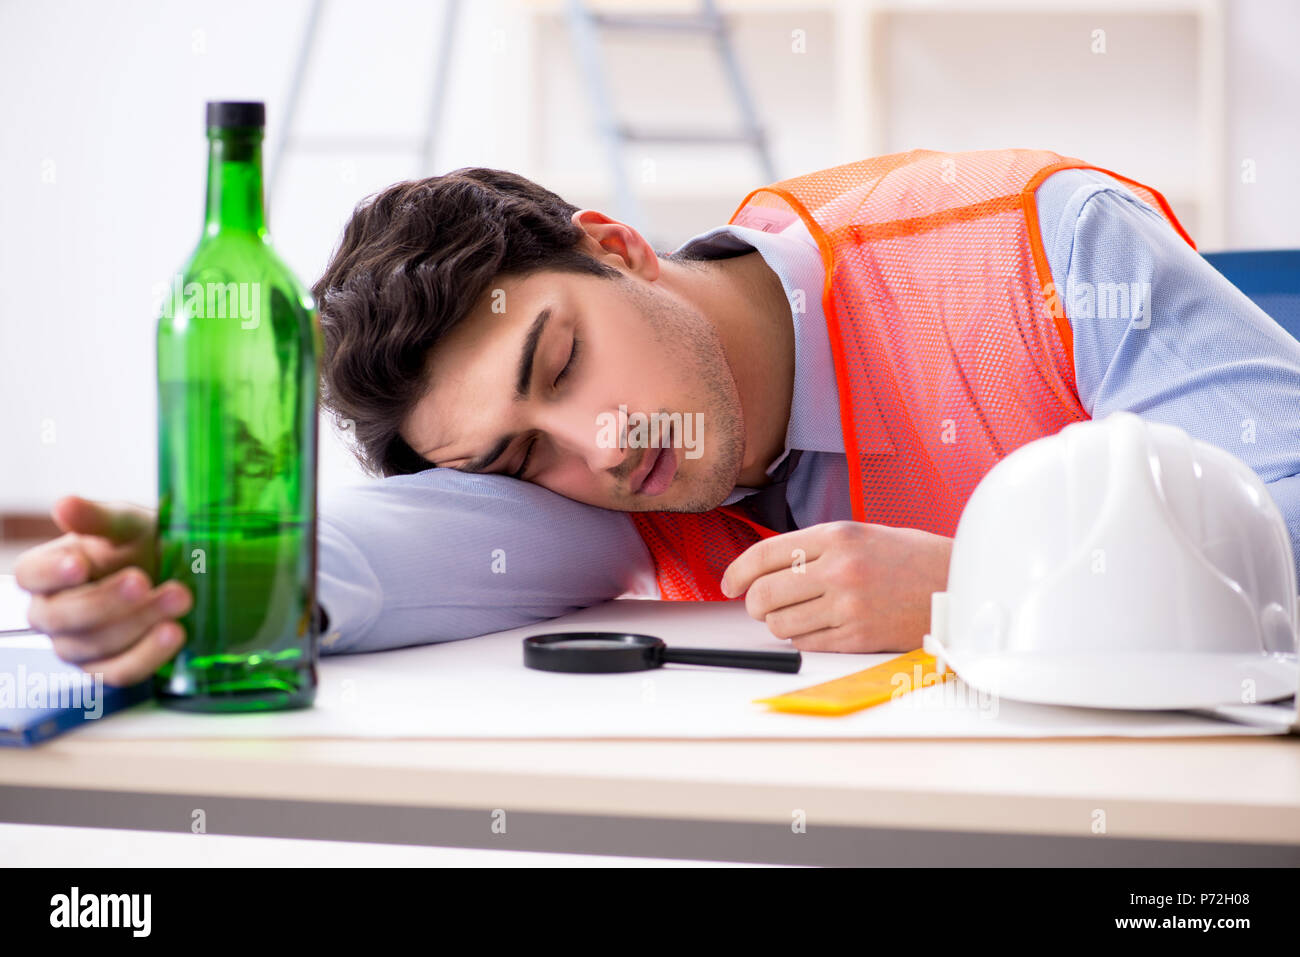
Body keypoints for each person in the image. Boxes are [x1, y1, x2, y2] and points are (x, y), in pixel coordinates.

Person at [17, 149, 1300, 687]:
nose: (600, 447)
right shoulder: (585, 491)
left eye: (560, 362)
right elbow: (406, 547)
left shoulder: (1039, 239)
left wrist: (992, 593)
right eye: (522, 451)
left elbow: (1286, 521)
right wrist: (207, 573)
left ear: (617, 248)